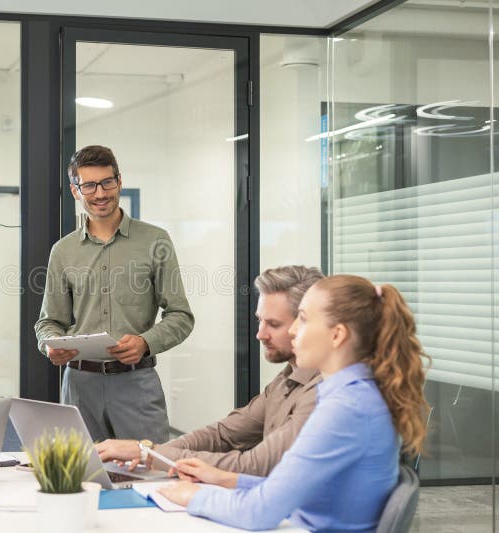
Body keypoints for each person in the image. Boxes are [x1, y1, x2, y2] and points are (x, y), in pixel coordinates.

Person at [159, 274, 430, 532]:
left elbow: (259, 511)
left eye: (302, 318)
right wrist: (227, 479)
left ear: (337, 335)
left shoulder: (347, 408)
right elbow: (297, 488)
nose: (294, 329)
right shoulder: (355, 395)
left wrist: (193, 497)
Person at [95, 265, 324, 476]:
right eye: (260, 321)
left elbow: (255, 465)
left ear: (306, 323)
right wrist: (149, 453)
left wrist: (148, 454)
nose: (260, 335)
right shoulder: (286, 379)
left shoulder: (323, 390)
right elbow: (223, 434)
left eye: (273, 324)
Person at [34, 145, 194, 442]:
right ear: (75, 191)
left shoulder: (155, 240)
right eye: (89, 185)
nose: (100, 193)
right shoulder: (63, 251)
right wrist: (49, 345)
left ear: (119, 181)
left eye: (107, 182)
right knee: (79, 478)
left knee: (150, 475)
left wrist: (146, 342)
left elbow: (181, 315)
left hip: (137, 384)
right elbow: (48, 322)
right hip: (79, 389)